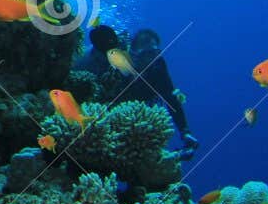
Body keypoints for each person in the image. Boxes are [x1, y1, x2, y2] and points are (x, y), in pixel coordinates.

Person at [76, 25, 198, 158]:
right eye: (146, 54)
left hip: (130, 118)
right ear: (133, 53)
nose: (151, 60)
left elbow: (170, 97)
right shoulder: (114, 63)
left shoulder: (158, 67)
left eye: (155, 54)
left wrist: (185, 131)